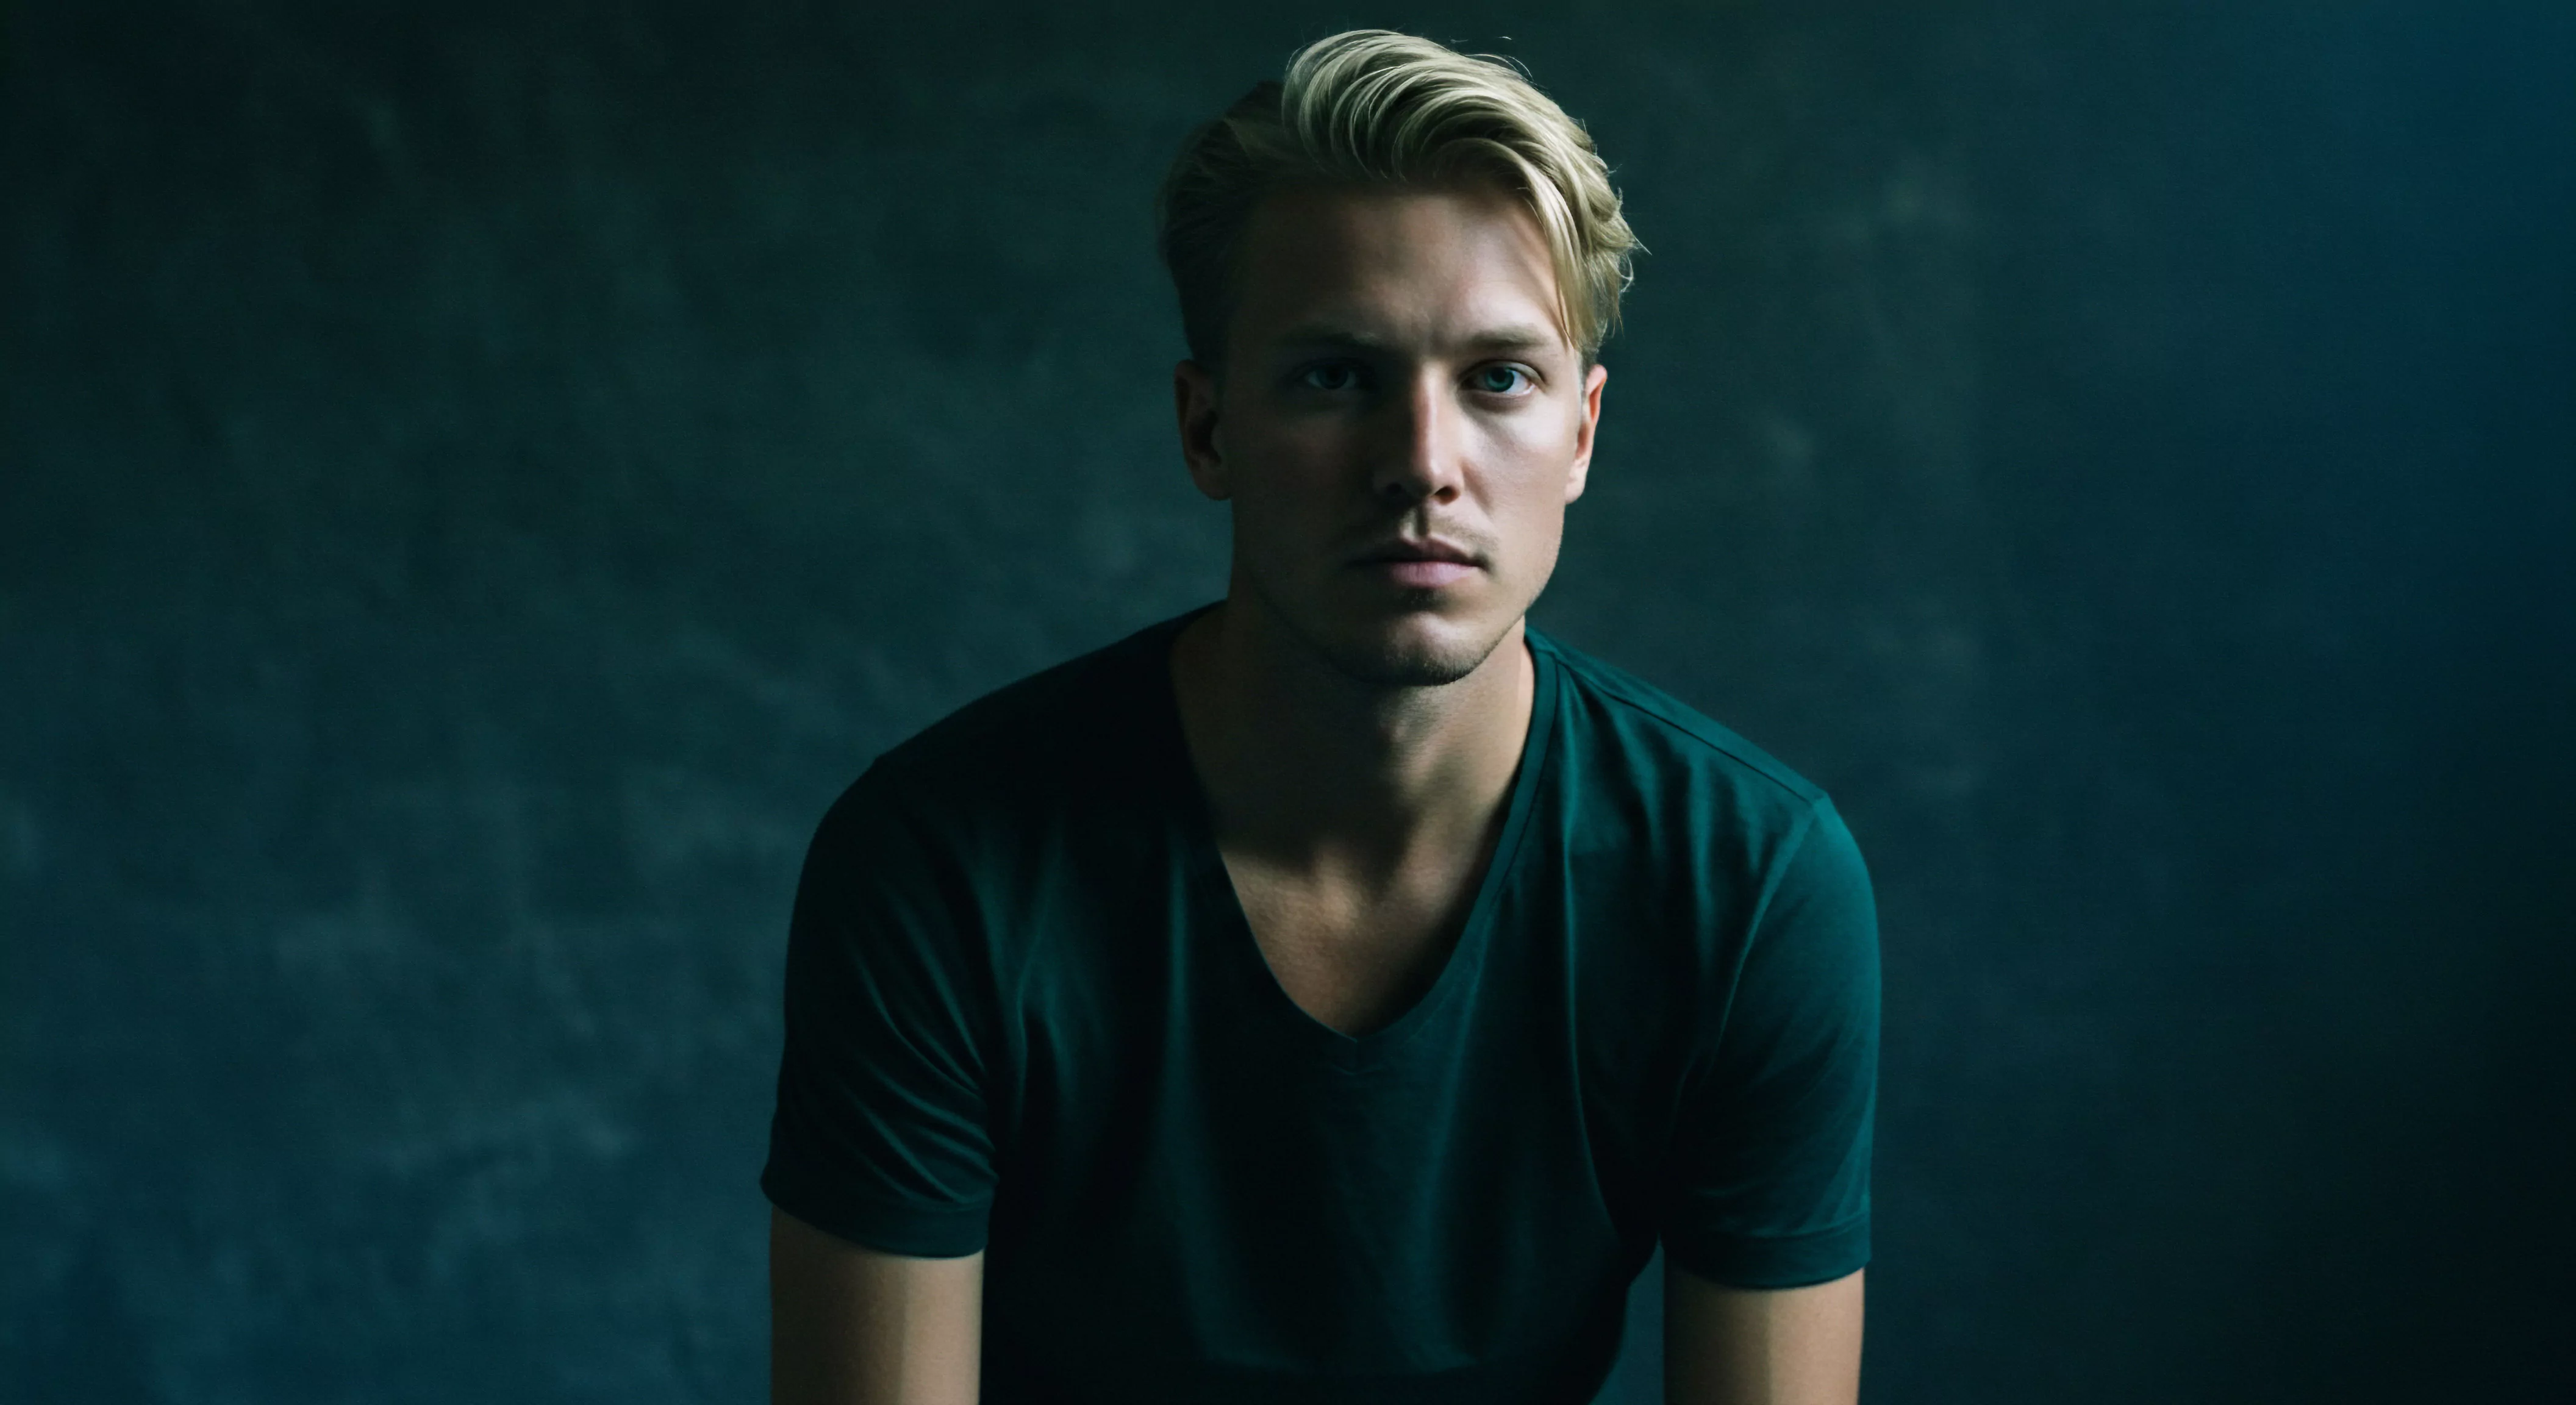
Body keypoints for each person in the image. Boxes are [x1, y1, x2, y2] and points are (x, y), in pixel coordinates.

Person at [762, 28, 1880, 1405]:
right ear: (1208, 430)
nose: (1422, 464)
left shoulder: (1748, 884)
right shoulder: (944, 866)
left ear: (1581, 435)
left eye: (1498, 379)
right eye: (1337, 375)